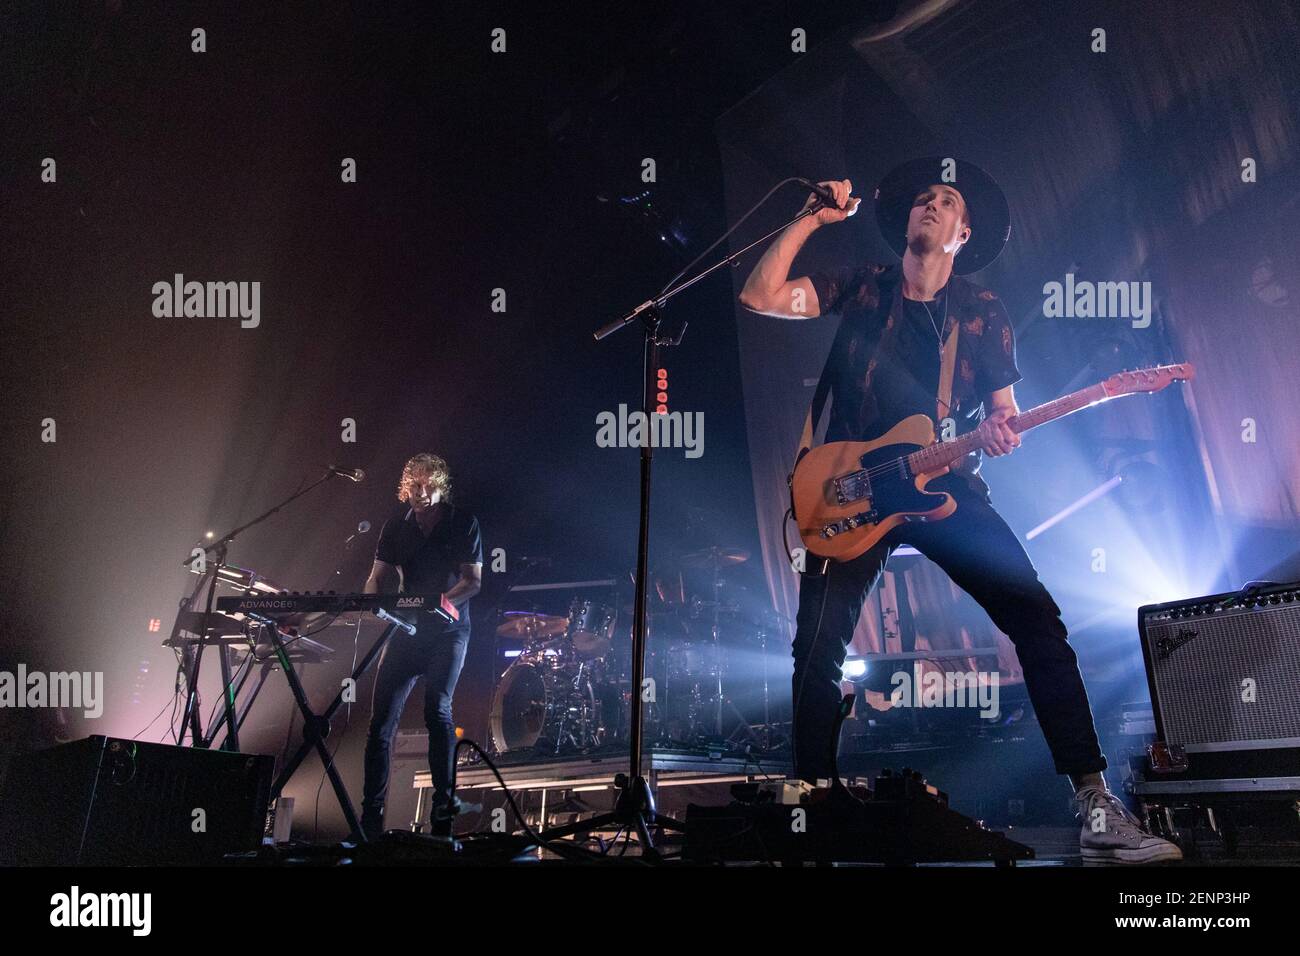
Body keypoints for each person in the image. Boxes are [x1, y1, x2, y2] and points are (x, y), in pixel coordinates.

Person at [738, 158, 1180, 864]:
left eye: (946, 201)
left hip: (942, 485)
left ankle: (1095, 802)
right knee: (817, 648)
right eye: (922, 200)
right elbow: (760, 295)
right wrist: (809, 220)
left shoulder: (982, 313)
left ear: (963, 232)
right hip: (849, 490)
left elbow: (1002, 414)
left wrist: (1004, 433)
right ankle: (812, 808)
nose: (930, 206)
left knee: (1035, 618)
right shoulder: (863, 287)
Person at [359, 452, 482, 839]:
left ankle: (441, 819)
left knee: (438, 711)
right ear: (405, 487)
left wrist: (442, 604)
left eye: (428, 486)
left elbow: (473, 580)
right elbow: (375, 577)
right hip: (405, 629)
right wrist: (370, 603)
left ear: (440, 488)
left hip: (448, 632)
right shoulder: (396, 525)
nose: (421, 492)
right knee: (381, 721)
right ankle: (370, 821)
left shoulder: (463, 523)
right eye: (414, 485)